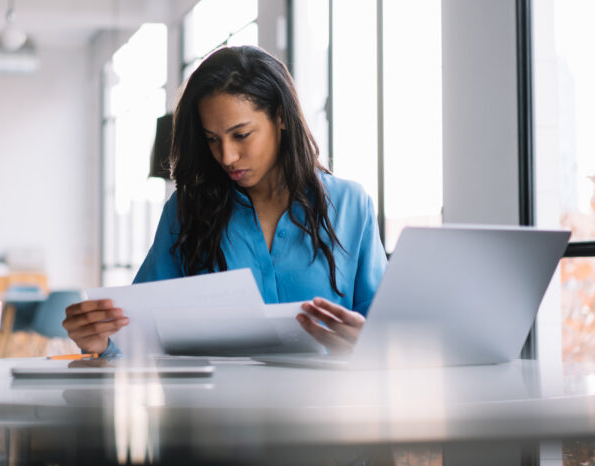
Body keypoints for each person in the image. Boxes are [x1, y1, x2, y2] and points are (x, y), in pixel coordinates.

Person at [63, 45, 387, 357]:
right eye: (212, 140)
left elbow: (386, 333)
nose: (227, 156)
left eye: (241, 134)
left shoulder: (350, 205)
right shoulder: (185, 213)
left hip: (329, 410)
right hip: (213, 412)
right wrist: (101, 340)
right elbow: (135, 337)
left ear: (281, 117)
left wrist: (367, 341)